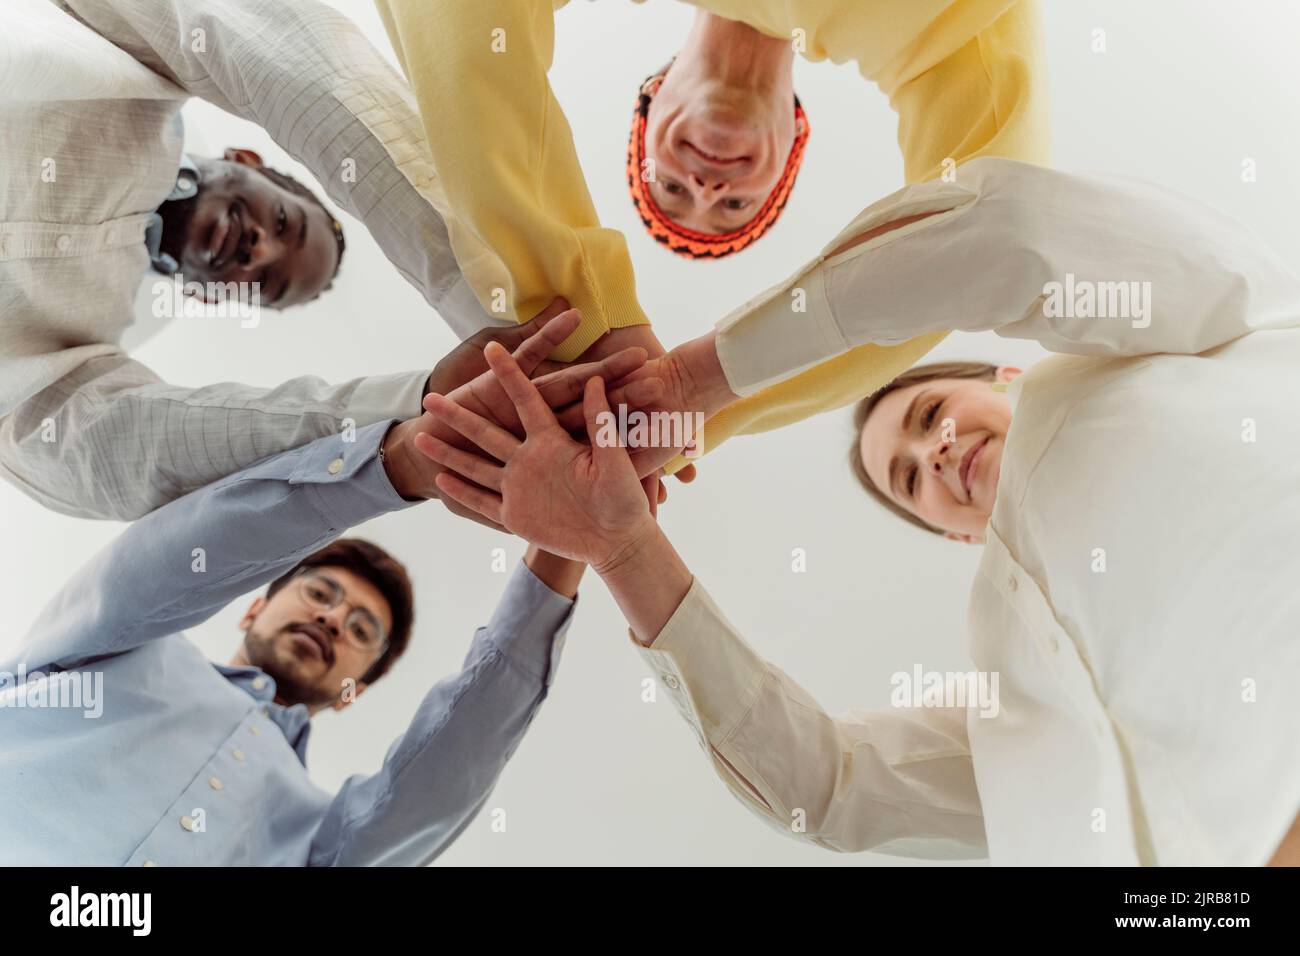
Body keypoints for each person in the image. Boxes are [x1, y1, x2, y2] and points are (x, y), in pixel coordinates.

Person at [411, 174, 1300, 865]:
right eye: (911, 481)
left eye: (926, 418)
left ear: (1007, 375)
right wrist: (622, 546)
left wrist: (699, 381)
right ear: (956, 536)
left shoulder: (1211, 333)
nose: (935, 458)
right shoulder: (1006, 693)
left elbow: (1013, 237)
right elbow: (828, 790)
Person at [0, 315, 658, 866]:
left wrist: (566, 547)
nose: (336, 619)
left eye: (363, 632)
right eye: (320, 592)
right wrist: (399, 464)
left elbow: (440, 784)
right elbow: (164, 562)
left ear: (357, 690)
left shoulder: (320, 838)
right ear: (254, 604)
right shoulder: (126, 650)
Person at [374, 0, 1048, 471]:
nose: (705, 187)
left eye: (669, 186)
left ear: (653, 95)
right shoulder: (936, 28)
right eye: (735, 205)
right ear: (789, 148)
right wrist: (701, 392)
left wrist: (589, 318)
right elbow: (991, 223)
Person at [0, 0, 566, 522]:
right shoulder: (129, 66)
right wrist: (495, 300)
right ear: (248, 160)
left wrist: (420, 404)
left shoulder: (73, 354)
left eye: (265, 283)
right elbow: (281, 52)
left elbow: (101, 457)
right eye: (282, 222)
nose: (259, 249)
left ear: (211, 297)